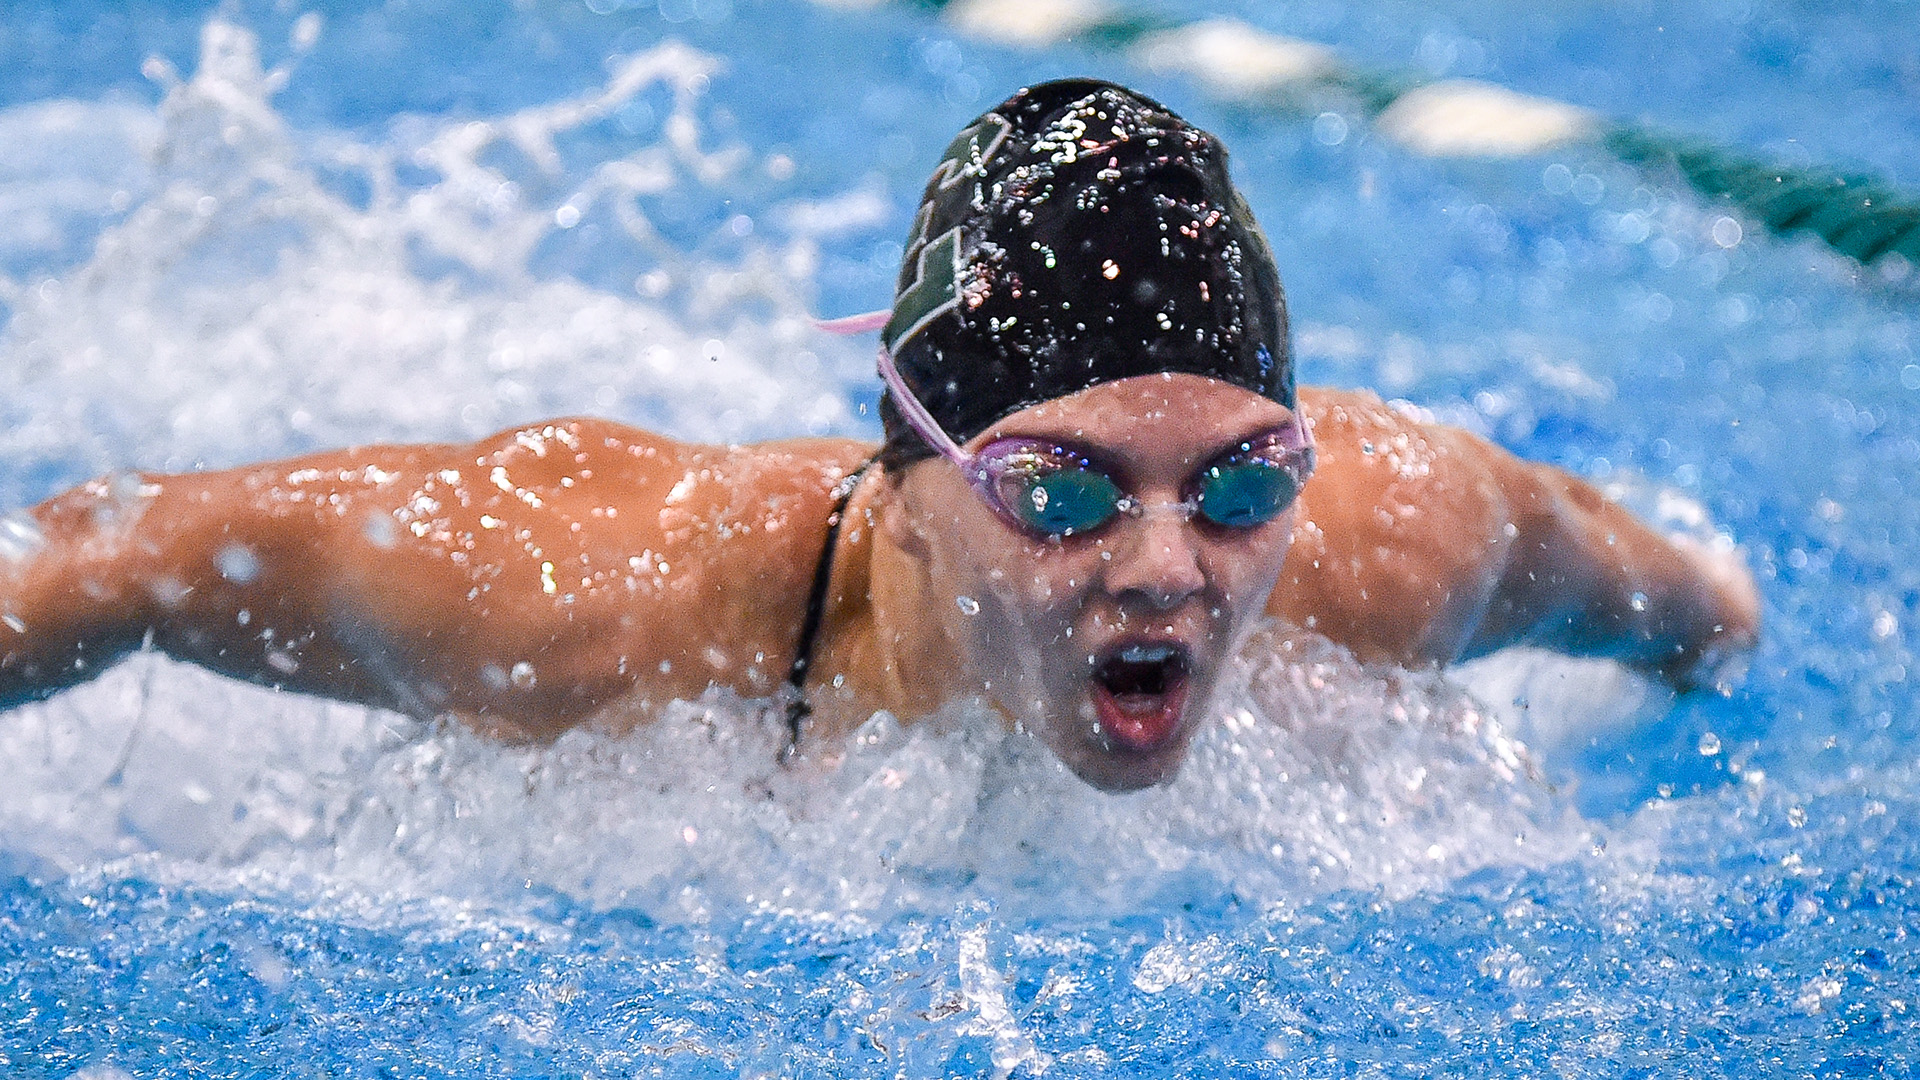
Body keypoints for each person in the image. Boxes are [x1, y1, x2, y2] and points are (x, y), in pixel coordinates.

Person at [0, 80, 1757, 791]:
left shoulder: (1404, 542)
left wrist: (1723, 642)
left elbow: (1698, 609)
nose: (1168, 566)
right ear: (908, 489)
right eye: (1060, 488)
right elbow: (117, 549)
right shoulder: (593, 606)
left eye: (1235, 481)